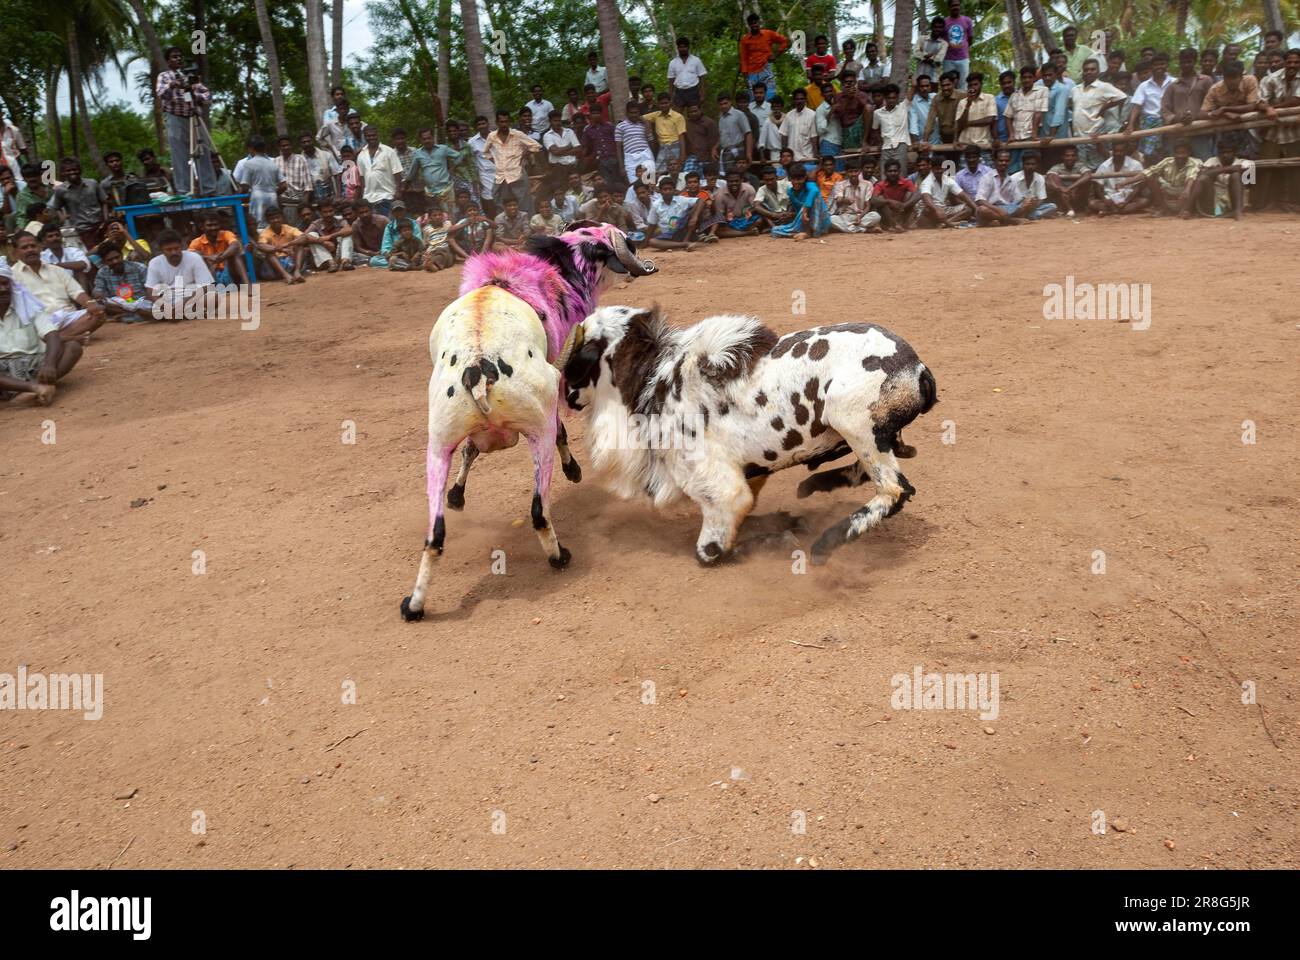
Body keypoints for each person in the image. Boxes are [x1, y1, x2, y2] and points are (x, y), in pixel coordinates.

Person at [0, 260, 82, 406]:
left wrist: (49, 365)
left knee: (73, 347)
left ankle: (29, 391)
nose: (3, 289)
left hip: (34, 365)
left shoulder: (29, 306)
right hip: (2, 372)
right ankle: (35, 389)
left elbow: (52, 336)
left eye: (6, 283)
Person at [11, 232, 106, 341]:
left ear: (40, 248)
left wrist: (90, 303)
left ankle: (58, 339)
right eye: (24, 247)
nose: (30, 250)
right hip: (41, 322)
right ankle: (63, 338)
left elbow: (77, 292)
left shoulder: (56, 270)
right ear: (15, 253)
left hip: (68, 316)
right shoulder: (12, 276)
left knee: (99, 313)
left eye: (33, 246)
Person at [156, 46, 215, 196]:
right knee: (179, 155)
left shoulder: (190, 75)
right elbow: (160, 93)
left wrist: (197, 95)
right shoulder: (164, 76)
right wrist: (172, 85)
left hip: (194, 117)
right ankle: (184, 190)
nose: (178, 59)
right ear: (168, 61)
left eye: (179, 56)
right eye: (174, 57)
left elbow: (207, 95)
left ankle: (209, 189)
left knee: (203, 152)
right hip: (175, 117)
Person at [1258, 49, 1300, 212]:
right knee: (1265, 167)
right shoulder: (1271, 79)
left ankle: (1295, 204)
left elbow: (1296, 101)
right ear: (1284, 62)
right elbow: (1260, 101)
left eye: (1296, 62)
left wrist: (1272, 107)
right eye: (1289, 62)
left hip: (1295, 132)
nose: (1292, 65)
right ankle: (1261, 204)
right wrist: (1266, 107)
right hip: (1271, 133)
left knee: (1295, 169)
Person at [1198, 60, 1262, 160]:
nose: (1231, 82)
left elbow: (1251, 106)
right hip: (1225, 131)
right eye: (1228, 78)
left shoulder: (1250, 80)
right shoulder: (1216, 89)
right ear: (1223, 77)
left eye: (1235, 78)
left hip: (1247, 128)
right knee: (1223, 159)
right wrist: (1225, 114)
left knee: (1248, 159)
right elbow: (1202, 113)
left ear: (1241, 77)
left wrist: (1224, 109)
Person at [1124, 138, 1202, 217]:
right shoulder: (1167, 161)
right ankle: (1164, 209)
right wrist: (1126, 182)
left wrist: (1187, 190)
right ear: (1174, 153)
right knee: (1151, 177)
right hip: (1169, 188)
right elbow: (1149, 171)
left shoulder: (1194, 162)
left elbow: (1191, 176)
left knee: (1197, 182)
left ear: (1189, 153)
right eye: (1178, 153)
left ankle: (1187, 210)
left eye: (1183, 153)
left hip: (1185, 189)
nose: (1180, 156)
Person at [1072, 59, 1129, 168]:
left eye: (1092, 69)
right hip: (1078, 138)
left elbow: (1122, 97)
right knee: (1082, 168)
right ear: (1082, 72)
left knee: (1098, 168)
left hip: (1095, 135)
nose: (1089, 72)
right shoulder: (1075, 89)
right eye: (1086, 70)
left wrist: (1104, 108)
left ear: (1098, 71)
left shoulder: (1103, 87)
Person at [1162, 48, 1215, 160]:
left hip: (1200, 131)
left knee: (1204, 162)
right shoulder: (1173, 85)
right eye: (1183, 62)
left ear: (1194, 62)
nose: (1186, 65)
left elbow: (1213, 101)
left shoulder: (1206, 81)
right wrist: (1177, 118)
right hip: (1179, 132)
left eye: (1189, 61)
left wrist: (1199, 116)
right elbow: (1165, 109)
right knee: (1176, 165)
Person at [51, 158, 109, 250]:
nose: (72, 172)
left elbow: (104, 201)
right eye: (68, 170)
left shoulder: (92, 183)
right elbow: (56, 207)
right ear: (63, 173)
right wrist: (62, 217)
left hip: (101, 225)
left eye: (74, 169)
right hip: (83, 229)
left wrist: (106, 220)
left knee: (108, 250)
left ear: (80, 170)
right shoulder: (61, 190)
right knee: (94, 255)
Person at [1127, 50, 1174, 161]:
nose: (1159, 67)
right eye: (1156, 65)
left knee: (1169, 152)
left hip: (1171, 122)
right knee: (1150, 155)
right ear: (1151, 67)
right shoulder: (1144, 86)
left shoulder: (1174, 82)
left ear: (1167, 65)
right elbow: (1137, 106)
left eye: (1162, 64)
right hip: (1150, 124)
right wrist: (1131, 125)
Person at [232, 135, 284, 229]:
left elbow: (245, 187)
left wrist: (236, 196)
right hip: (272, 197)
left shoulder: (249, 164)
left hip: (257, 197)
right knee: (273, 224)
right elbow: (284, 185)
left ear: (251, 149)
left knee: (258, 225)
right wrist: (273, 193)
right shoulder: (273, 163)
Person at [92, 241, 155, 319]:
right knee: (99, 305)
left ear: (122, 255)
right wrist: (99, 295)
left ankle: (129, 314)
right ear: (104, 262)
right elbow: (98, 291)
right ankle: (132, 314)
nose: (115, 261)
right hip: (119, 305)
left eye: (117, 257)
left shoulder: (139, 268)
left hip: (141, 303)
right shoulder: (102, 272)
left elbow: (151, 291)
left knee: (151, 303)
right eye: (110, 260)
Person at [646, 176, 710, 249]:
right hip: (668, 235)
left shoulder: (681, 200)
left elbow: (700, 200)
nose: (668, 192)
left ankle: (685, 241)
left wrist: (695, 217)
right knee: (652, 242)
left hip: (683, 232)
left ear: (674, 190)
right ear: (660, 191)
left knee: (695, 208)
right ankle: (684, 244)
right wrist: (645, 243)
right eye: (665, 189)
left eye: (670, 189)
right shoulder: (656, 205)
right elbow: (652, 225)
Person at [354, 125, 404, 218]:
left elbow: (397, 173)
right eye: (368, 136)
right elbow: (362, 177)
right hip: (369, 198)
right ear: (364, 137)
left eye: (373, 135)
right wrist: (362, 195)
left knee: (390, 225)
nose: (371, 137)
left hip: (388, 196)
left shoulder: (389, 151)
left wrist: (398, 192)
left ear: (378, 135)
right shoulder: (361, 155)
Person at [912, 154, 975, 227]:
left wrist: (976, 208)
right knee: (928, 209)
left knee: (968, 208)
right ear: (932, 169)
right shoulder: (927, 182)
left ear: (944, 168)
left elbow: (963, 195)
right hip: (931, 211)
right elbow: (926, 197)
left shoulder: (948, 180)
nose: (939, 171)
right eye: (936, 169)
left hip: (944, 210)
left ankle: (946, 223)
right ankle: (948, 223)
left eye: (940, 169)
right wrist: (936, 209)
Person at [771, 162, 830, 239]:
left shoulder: (810, 185)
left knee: (816, 197)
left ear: (805, 178)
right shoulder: (790, 191)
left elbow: (814, 191)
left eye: (799, 179)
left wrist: (805, 210)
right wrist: (790, 215)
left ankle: (809, 232)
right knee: (775, 230)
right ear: (790, 178)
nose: (796, 182)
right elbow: (798, 212)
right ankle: (797, 233)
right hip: (805, 222)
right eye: (793, 179)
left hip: (819, 222)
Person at [1088, 140, 1148, 215]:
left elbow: (1137, 187)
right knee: (1092, 203)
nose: (1118, 153)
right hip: (1110, 198)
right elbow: (1098, 186)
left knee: (1143, 201)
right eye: (1116, 151)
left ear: (1125, 151)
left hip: (1128, 198)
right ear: (1112, 151)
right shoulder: (1105, 165)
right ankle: (1119, 211)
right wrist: (1105, 200)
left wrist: (1126, 201)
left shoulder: (1135, 164)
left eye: (1121, 151)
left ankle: (1110, 212)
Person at [189, 212, 249, 286]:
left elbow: (235, 245)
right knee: (198, 257)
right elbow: (189, 257)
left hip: (230, 275)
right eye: (209, 225)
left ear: (219, 225)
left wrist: (221, 258)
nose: (213, 228)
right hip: (211, 276)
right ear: (202, 227)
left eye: (215, 224)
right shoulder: (196, 242)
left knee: (234, 254)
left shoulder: (226, 234)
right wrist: (208, 258)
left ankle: (247, 285)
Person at [1189, 141, 1245, 219]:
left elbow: (1239, 171)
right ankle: (1188, 209)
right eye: (1222, 152)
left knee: (1235, 176)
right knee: (1203, 178)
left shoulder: (1240, 162)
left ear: (1235, 153)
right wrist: (1227, 169)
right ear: (1218, 153)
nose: (1225, 155)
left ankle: (1237, 211)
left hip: (1231, 199)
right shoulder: (1212, 161)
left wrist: (1214, 170)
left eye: (1229, 152)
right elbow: (1201, 176)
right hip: (1213, 200)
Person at [739, 13, 787, 100]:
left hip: (766, 69)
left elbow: (783, 41)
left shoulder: (768, 34)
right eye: (752, 23)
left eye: (755, 22)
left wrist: (776, 55)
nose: (754, 25)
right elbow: (743, 58)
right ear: (749, 25)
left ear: (759, 23)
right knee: (753, 98)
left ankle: (770, 113)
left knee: (770, 95)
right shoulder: (745, 39)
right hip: (751, 71)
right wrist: (745, 76)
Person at [254, 205, 305, 283]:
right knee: (269, 253)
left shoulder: (289, 229)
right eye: (272, 219)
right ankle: (286, 275)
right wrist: (281, 249)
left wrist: (288, 244)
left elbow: (303, 237)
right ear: (268, 220)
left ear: (282, 217)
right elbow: (261, 246)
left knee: (300, 245)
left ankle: (297, 272)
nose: (275, 220)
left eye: (278, 217)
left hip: (290, 260)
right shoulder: (265, 233)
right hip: (274, 267)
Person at [300, 198, 353, 272]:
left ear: (334, 211)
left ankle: (345, 262)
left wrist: (329, 236)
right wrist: (322, 242)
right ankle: (330, 263)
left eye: (330, 211)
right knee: (312, 235)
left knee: (346, 234)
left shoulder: (340, 220)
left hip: (339, 255)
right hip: (325, 258)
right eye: (325, 212)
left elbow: (349, 230)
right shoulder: (316, 224)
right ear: (320, 213)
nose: (328, 214)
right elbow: (303, 236)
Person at [38, 224, 92, 294]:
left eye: (57, 235)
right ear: (44, 240)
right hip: (55, 289)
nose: (55, 238)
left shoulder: (73, 251)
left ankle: (84, 303)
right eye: (50, 236)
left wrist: (55, 265)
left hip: (76, 288)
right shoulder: (42, 257)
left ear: (61, 237)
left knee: (79, 272)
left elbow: (83, 265)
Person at [955, 72, 998, 156]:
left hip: (983, 146)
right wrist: (968, 105)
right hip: (965, 146)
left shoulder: (989, 98)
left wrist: (968, 123)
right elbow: (959, 125)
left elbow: (990, 120)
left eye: (975, 84)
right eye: (970, 85)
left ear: (981, 85)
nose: (973, 87)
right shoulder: (962, 102)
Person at [615, 100, 656, 186]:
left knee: (650, 182)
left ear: (639, 112)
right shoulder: (620, 126)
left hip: (646, 154)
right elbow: (618, 148)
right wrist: (621, 167)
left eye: (636, 112)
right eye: (631, 112)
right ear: (627, 113)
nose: (634, 115)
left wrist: (646, 123)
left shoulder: (644, 124)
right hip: (630, 157)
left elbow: (651, 141)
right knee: (635, 185)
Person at [871, 158, 920, 231]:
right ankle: (894, 224)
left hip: (901, 211)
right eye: (890, 171)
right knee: (881, 201)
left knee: (909, 194)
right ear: (885, 172)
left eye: (895, 171)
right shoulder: (880, 185)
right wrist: (889, 201)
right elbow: (873, 199)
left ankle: (902, 223)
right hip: (888, 214)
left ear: (899, 171)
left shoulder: (906, 182)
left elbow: (918, 194)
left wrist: (904, 205)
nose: (893, 173)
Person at [1045, 145, 1094, 216]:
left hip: (1076, 194)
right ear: (1062, 157)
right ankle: (1069, 209)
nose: (1070, 158)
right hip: (1063, 196)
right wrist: (1061, 188)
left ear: (1076, 157)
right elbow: (1049, 177)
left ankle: (1076, 209)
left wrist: (1070, 188)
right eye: (1067, 156)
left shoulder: (1080, 165)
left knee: (1087, 182)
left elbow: (1088, 175)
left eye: (1072, 156)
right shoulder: (1058, 167)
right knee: (1054, 179)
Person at [644, 92, 688, 171]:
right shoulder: (656, 115)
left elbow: (681, 136)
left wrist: (682, 155)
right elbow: (641, 118)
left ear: (670, 103)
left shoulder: (678, 117)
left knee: (676, 170)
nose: (664, 105)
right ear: (658, 104)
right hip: (663, 147)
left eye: (666, 103)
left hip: (675, 146)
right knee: (657, 172)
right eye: (661, 103)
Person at [828, 166, 881, 233]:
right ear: (846, 173)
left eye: (856, 171)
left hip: (861, 216)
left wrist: (860, 217)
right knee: (831, 219)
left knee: (876, 216)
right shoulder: (840, 185)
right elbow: (838, 201)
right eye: (851, 171)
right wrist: (845, 200)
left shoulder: (867, 184)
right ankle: (865, 230)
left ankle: (849, 229)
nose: (853, 174)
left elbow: (867, 206)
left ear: (859, 172)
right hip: (845, 216)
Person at [779, 88, 820, 173]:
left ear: (805, 99)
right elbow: (784, 134)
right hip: (792, 159)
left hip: (807, 157)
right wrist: (784, 153)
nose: (799, 101)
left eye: (801, 99)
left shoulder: (812, 115)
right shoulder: (789, 115)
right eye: (797, 99)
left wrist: (815, 155)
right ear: (794, 100)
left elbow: (814, 136)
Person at [874, 83, 911, 176]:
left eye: (894, 98)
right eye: (889, 98)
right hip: (885, 147)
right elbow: (875, 129)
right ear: (885, 98)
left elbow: (913, 87)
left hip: (901, 145)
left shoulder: (904, 107)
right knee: (884, 176)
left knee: (901, 175)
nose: (891, 100)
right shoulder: (877, 113)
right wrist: (879, 142)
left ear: (897, 97)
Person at [541, 110, 581, 195]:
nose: (558, 123)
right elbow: (555, 151)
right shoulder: (547, 135)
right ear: (550, 122)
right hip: (558, 168)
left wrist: (562, 152)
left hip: (573, 166)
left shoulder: (569, 131)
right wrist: (569, 146)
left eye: (559, 120)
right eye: (555, 121)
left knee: (578, 191)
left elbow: (578, 148)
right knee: (561, 191)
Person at [668, 36, 709, 109]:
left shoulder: (696, 60)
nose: (682, 49)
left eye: (684, 47)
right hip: (679, 92)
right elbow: (671, 81)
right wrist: (670, 97)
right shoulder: (673, 63)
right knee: (678, 115)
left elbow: (702, 77)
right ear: (677, 48)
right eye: (680, 47)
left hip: (693, 91)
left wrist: (702, 94)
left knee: (694, 114)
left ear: (688, 47)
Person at [923, 71, 962, 146]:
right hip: (944, 136)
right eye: (943, 85)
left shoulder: (962, 96)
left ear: (953, 84)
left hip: (960, 136)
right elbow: (930, 120)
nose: (945, 88)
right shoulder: (936, 98)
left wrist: (956, 139)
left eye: (948, 85)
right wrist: (925, 141)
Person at [717, 93, 754, 174]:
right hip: (725, 151)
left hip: (738, 150)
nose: (723, 106)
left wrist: (748, 153)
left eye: (725, 103)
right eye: (721, 104)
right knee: (727, 176)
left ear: (730, 102)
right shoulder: (720, 117)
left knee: (739, 174)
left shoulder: (739, 114)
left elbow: (748, 133)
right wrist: (714, 148)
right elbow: (722, 135)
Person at [942, 0, 975, 89]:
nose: (955, 7)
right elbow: (941, 39)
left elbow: (970, 38)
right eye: (953, 6)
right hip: (948, 59)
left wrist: (963, 47)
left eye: (957, 5)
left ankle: (962, 103)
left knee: (963, 84)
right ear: (949, 8)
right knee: (948, 83)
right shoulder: (944, 22)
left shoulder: (967, 20)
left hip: (963, 58)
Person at [300, 131, 341, 202]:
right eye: (303, 142)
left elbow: (337, 174)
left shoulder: (326, 155)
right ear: (300, 144)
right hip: (311, 198)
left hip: (329, 195)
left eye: (308, 141)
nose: (306, 144)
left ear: (313, 141)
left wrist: (338, 195)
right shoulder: (299, 160)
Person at [917, 18, 949, 84]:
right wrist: (930, 56)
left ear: (942, 29)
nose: (937, 29)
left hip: (934, 79)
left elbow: (939, 59)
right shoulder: (922, 39)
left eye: (940, 27)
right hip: (920, 76)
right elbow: (916, 53)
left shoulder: (944, 44)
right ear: (932, 27)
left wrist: (924, 56)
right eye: (936, 27)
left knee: (933, 94)